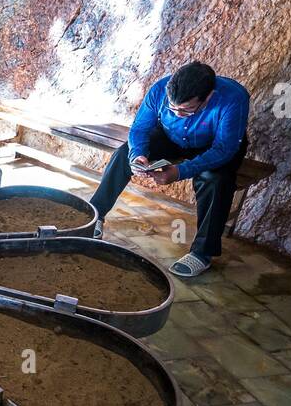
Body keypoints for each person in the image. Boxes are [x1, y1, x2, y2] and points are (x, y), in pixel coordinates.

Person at [90, 61, 249, 278]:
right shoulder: (160, 88)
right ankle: (94, 214)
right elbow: (140, 128)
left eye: (185, 109)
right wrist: (138, 155)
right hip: (171, 135)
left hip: (215, 144)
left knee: (216, 179)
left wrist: (179, 171)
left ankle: (202, 253)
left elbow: (224, 149)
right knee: (123, 154)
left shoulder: (234, 98)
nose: (176, 112)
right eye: (172, 107)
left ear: (208, 98)